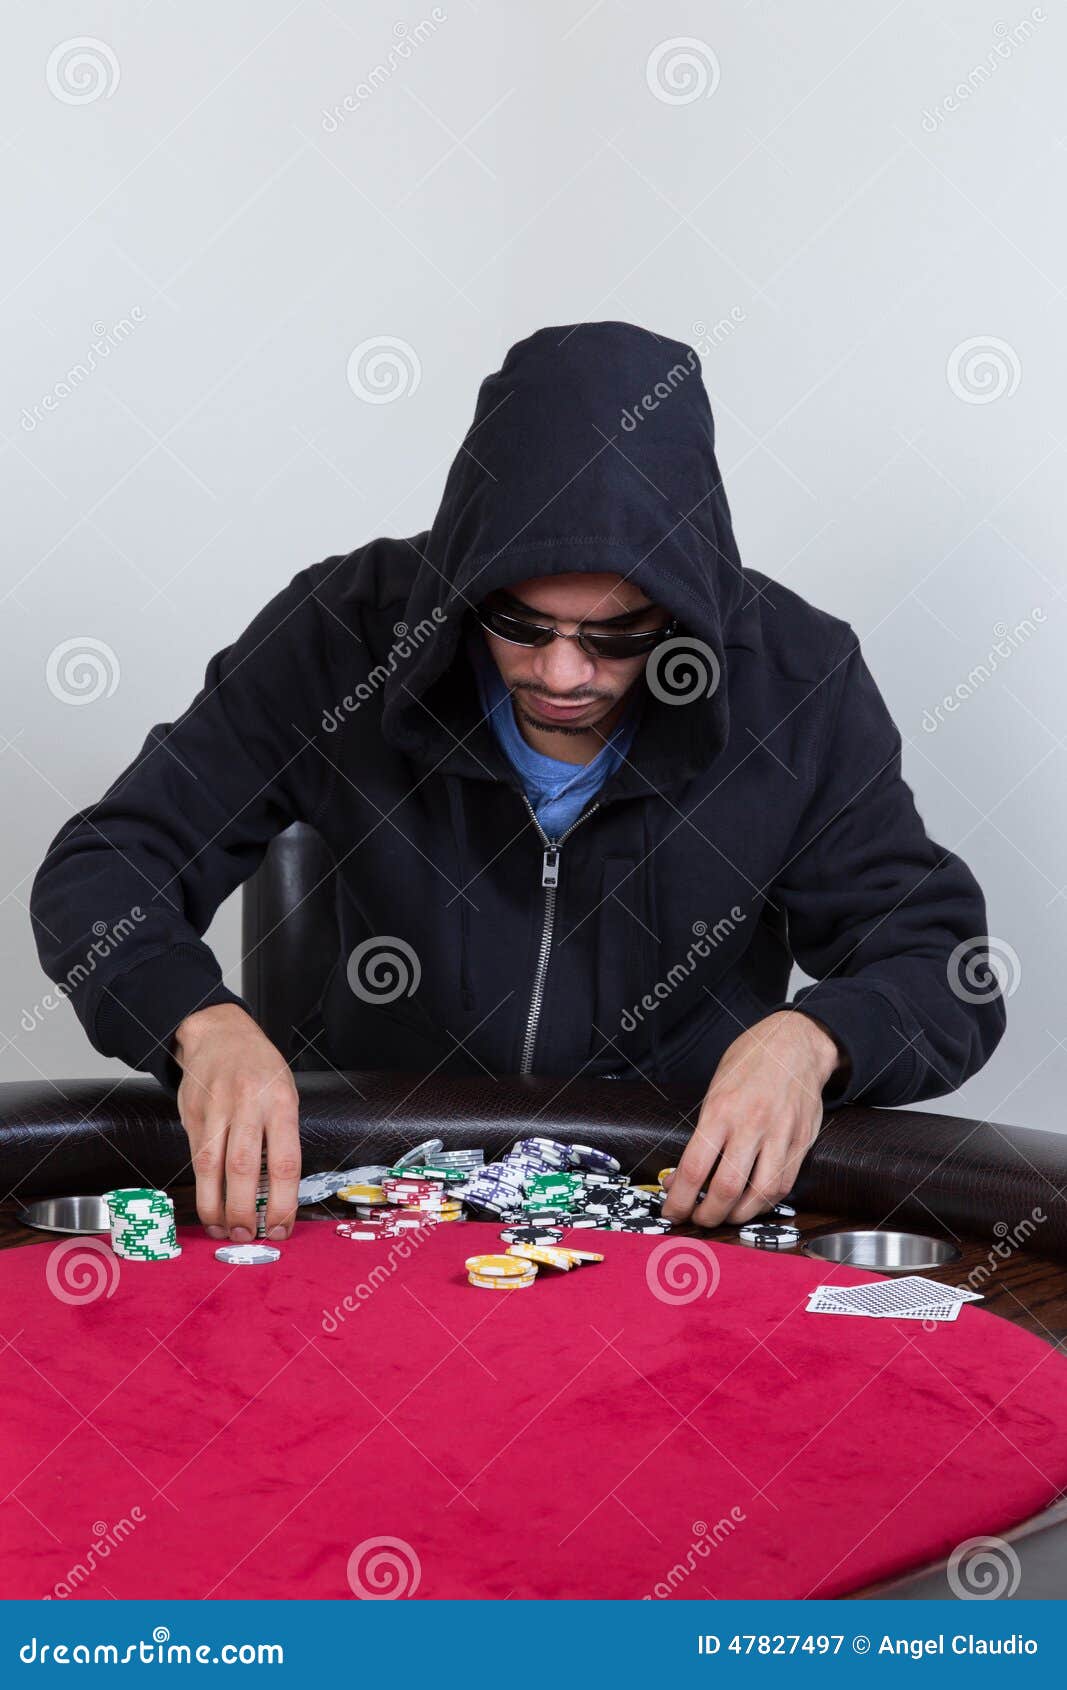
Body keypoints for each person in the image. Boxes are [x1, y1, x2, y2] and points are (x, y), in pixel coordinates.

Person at [30, 320, 1006, 1242]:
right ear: (462, 584)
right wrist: (199, 1023)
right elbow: (104, 869)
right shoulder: (342, 637)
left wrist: (812, 1037)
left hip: (669, 1225)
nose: (562, 674)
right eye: (520, 624)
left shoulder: (795, 684)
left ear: (685, 610)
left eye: (617, 635)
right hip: (366, 1206)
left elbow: (947, 968)